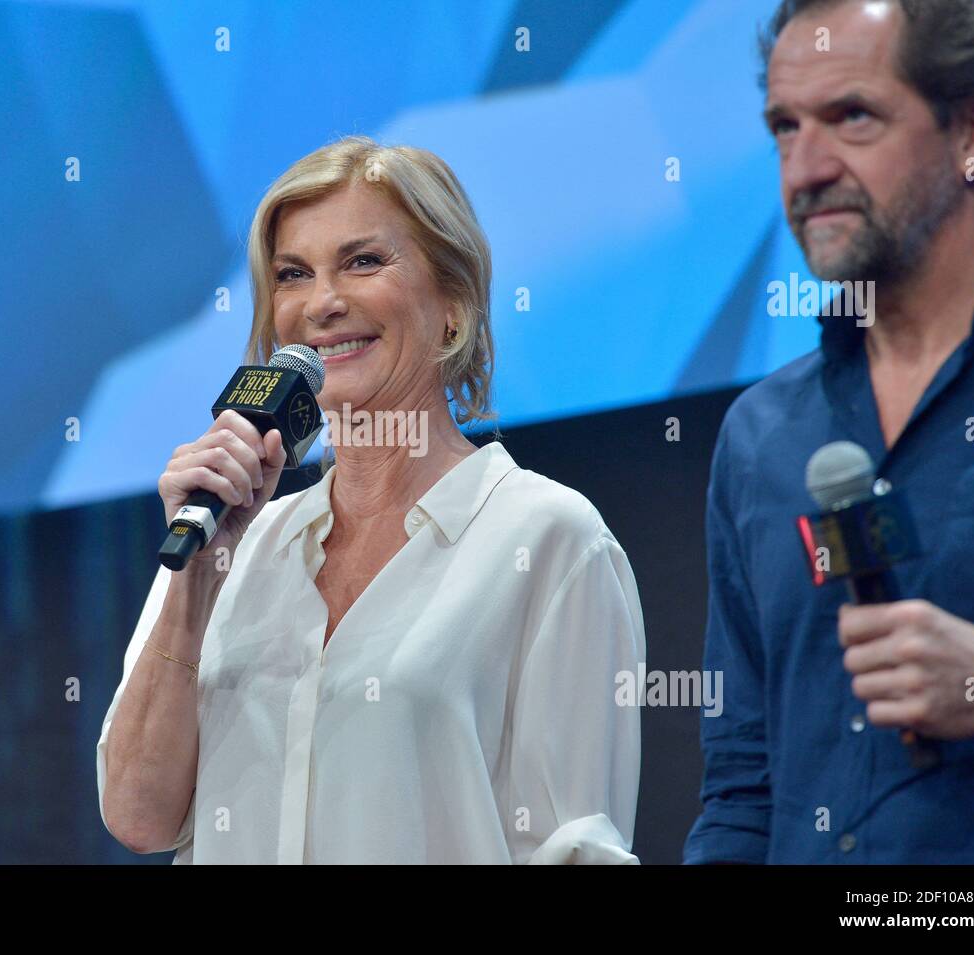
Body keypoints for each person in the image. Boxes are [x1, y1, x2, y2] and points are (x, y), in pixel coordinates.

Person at [96, 136, 646, 864]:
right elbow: (138, 815)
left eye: (363, 261)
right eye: (293, 274)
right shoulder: (230, 539)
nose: (323, 303)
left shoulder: (549, 539)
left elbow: (577, 851)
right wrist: (196, 582)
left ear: (454, 305)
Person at [685, 0, 974, 864]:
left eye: (852, 118)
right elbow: (741, 782)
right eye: (784, 129)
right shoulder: (763, 437)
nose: (804, 171)